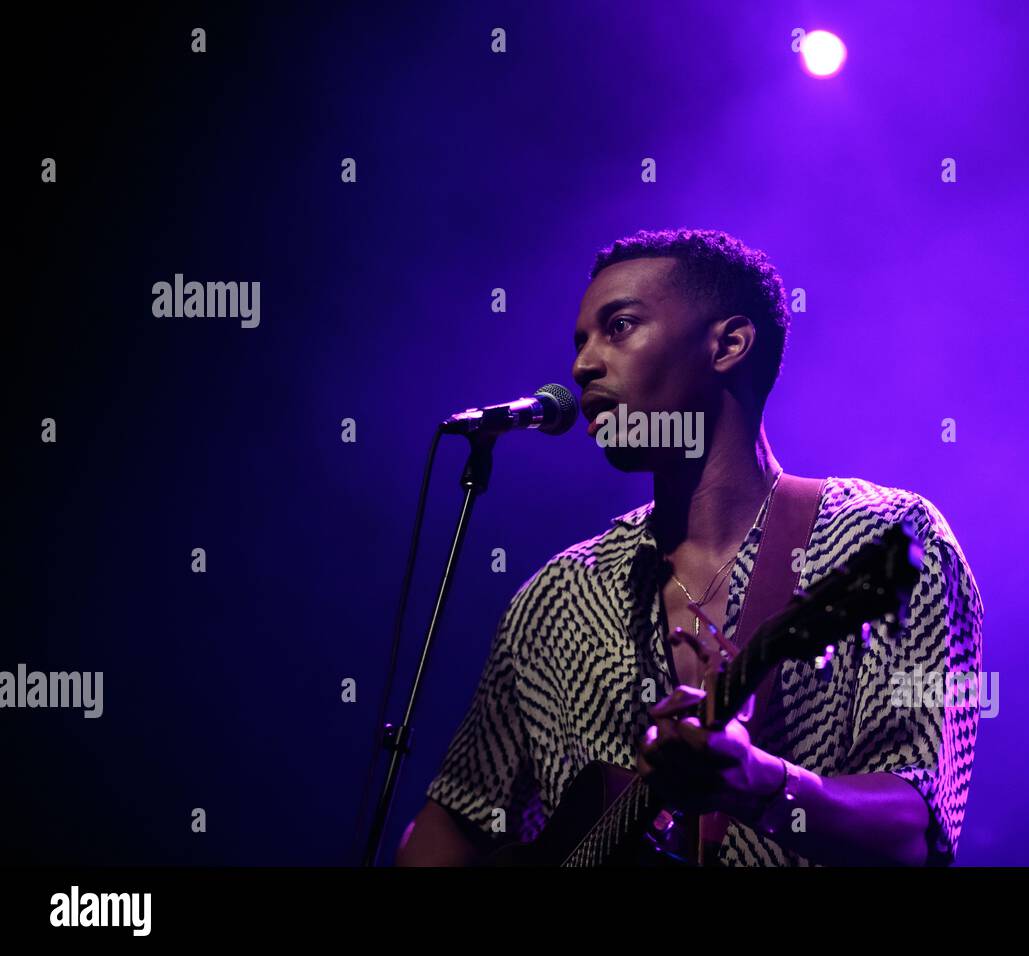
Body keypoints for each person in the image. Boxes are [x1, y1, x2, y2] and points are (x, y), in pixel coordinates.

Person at [395, 228, 984, 866]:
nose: (582, 364)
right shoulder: (556, 596)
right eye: (581, 340)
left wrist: (759, 785)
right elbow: (447, 827)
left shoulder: (882, 539)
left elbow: (917, 832)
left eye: (618, 326)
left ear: (727, 344)